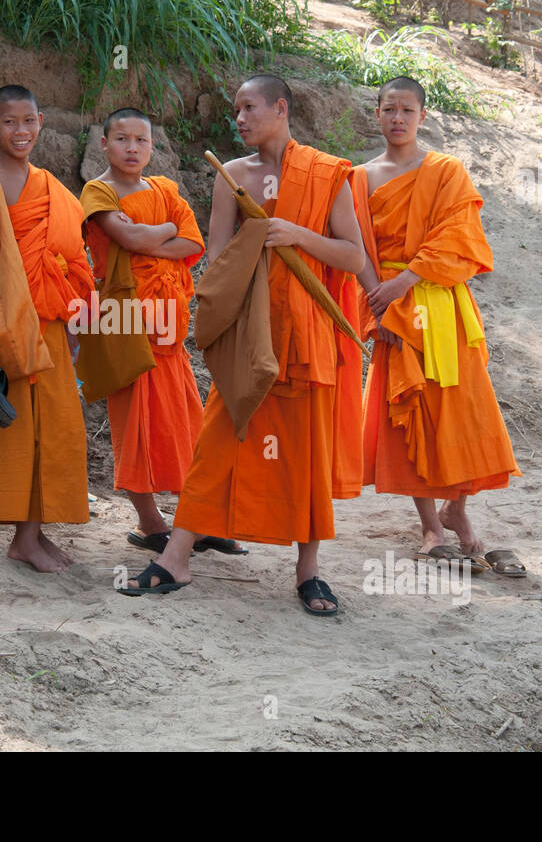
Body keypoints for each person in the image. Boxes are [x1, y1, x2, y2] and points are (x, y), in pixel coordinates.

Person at [120, 75, 366, 615]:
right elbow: (217, 262)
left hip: (305, 338)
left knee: (304, 453)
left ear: (281, 108)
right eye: (235, 109)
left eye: (249, 107)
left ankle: (309, 572)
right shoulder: (231, 176)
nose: (239, 117)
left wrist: (297, 235)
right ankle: (177, 557)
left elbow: (352, 257)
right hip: (249, 333)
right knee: (220, 440)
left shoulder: (328, 175)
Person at [352, 76, 524, 576]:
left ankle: (458, 510)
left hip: (441, 309)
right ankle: (430, 526)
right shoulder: (360, 178)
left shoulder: (446, 169)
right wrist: (378, 305)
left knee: (462, 413)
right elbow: (357, 246)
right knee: (409, 415)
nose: (398, 118)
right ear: (378, 113)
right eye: (389, 109)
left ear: (423, 116)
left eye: (407, 110)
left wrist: (406, 280)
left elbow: (459, 237)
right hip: (392, 311)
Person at [79, 108, 243, 556]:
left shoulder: (164, 188)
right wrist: (166, 231)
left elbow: (195, 244)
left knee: (186, 424)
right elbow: (127, 242)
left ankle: (197, 520)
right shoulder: (97, 192)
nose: (132, 148)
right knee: (136, 426)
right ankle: (151, 525)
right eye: (122, 139)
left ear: (153, 147)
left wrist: (157, 234)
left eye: (141, 141)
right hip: (123, 318)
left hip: (169, 327)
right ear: (104, 144)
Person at [0, 84, 94, 573]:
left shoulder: (49, 186)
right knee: (19, 431)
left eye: (29, 121)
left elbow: (70, 257)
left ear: (40, 124)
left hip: (51, 321)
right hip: (12, 324)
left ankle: (36, 532)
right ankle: (23, 538)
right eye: (9, 122)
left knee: (57, 430)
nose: (21, 131)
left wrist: (74, 324)